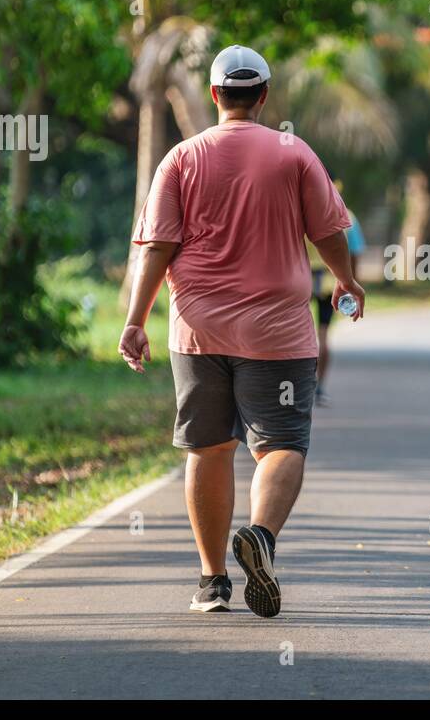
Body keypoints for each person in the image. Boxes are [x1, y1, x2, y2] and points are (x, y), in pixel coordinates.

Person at [118, 44, 365, 618]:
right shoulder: (294, 152)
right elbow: (328, 231)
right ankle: (261, 536)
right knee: (281, 445)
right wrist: (346, 280)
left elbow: (157, 248)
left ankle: (212, 582)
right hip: (277, 331)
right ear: (263, 96)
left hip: (197, 330)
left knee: (208, 447)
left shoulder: (182, 157)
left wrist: (135, 320)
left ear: (214, 95)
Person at [309, 177, 365, 406]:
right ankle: (319, 388)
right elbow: (355, 253)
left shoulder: (298, 212)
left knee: (300, 335)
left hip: (300, 281)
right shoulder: (347, 216)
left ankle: (297, 387)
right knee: (323, 336)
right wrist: (351, 282)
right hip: (330, 282)